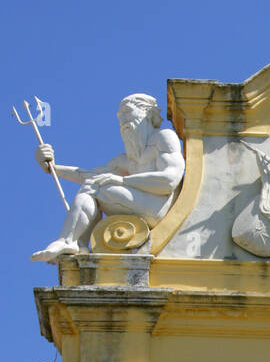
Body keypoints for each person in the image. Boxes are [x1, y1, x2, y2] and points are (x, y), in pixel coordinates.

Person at [31, 94, 184, 262]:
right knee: (93, 184)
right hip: (141, 203)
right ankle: (77, 244)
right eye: (120, 117)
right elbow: (88, 174)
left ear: (146, 113)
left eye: (127, 112)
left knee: (96, 186)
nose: (123, 121)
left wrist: (121, 180)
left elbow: (169, 180)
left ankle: (68, 240)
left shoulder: (164, 138)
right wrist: (52, 167)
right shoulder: (126, 159)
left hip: (157, 206)